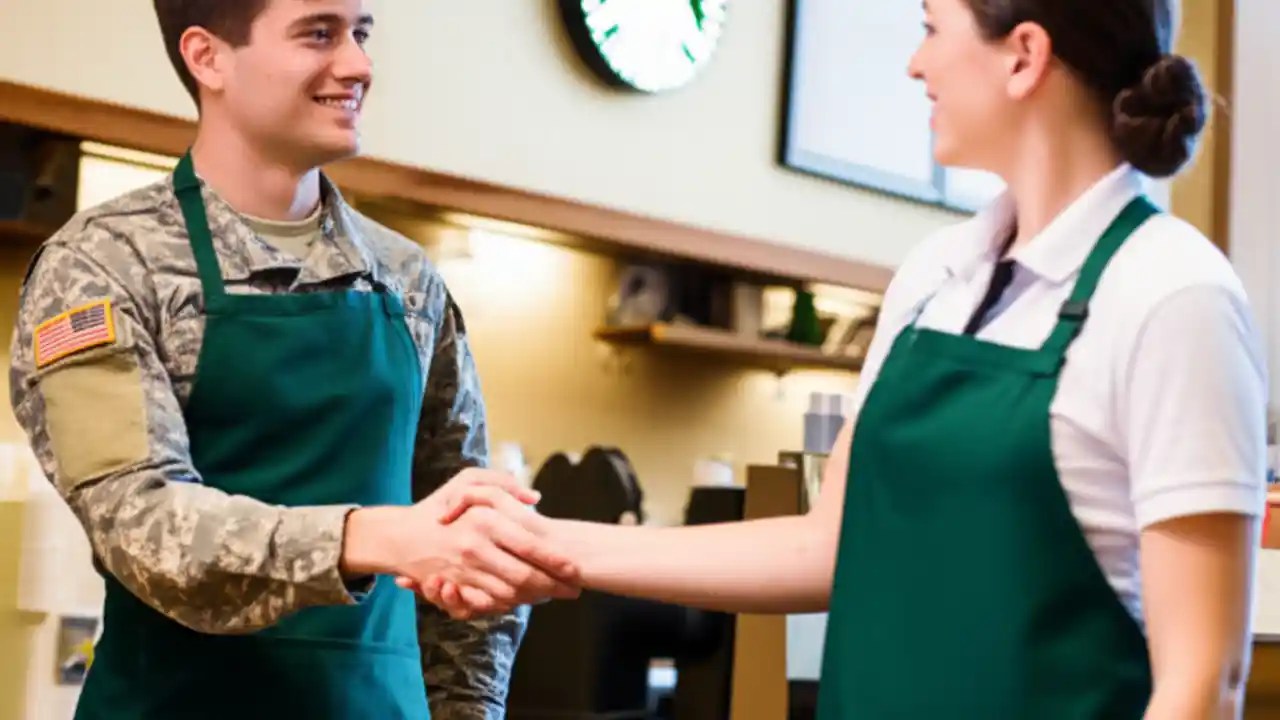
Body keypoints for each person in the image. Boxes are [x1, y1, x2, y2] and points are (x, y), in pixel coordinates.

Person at [413, 0, 1269, 717]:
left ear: (1023, 57)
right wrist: (551, 544)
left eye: (932, 27)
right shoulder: (939, 275)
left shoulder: (1172, 295)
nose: (914, 64)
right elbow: (829, 546)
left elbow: (1202, 682)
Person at [8, 1, 578, 718]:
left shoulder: (405, 281)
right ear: (207, 56)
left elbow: (470, 546)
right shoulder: (105, 265)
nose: (359, 65)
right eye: (319, 33)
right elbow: (145, 529)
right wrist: (373, 536)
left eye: (361, 34)